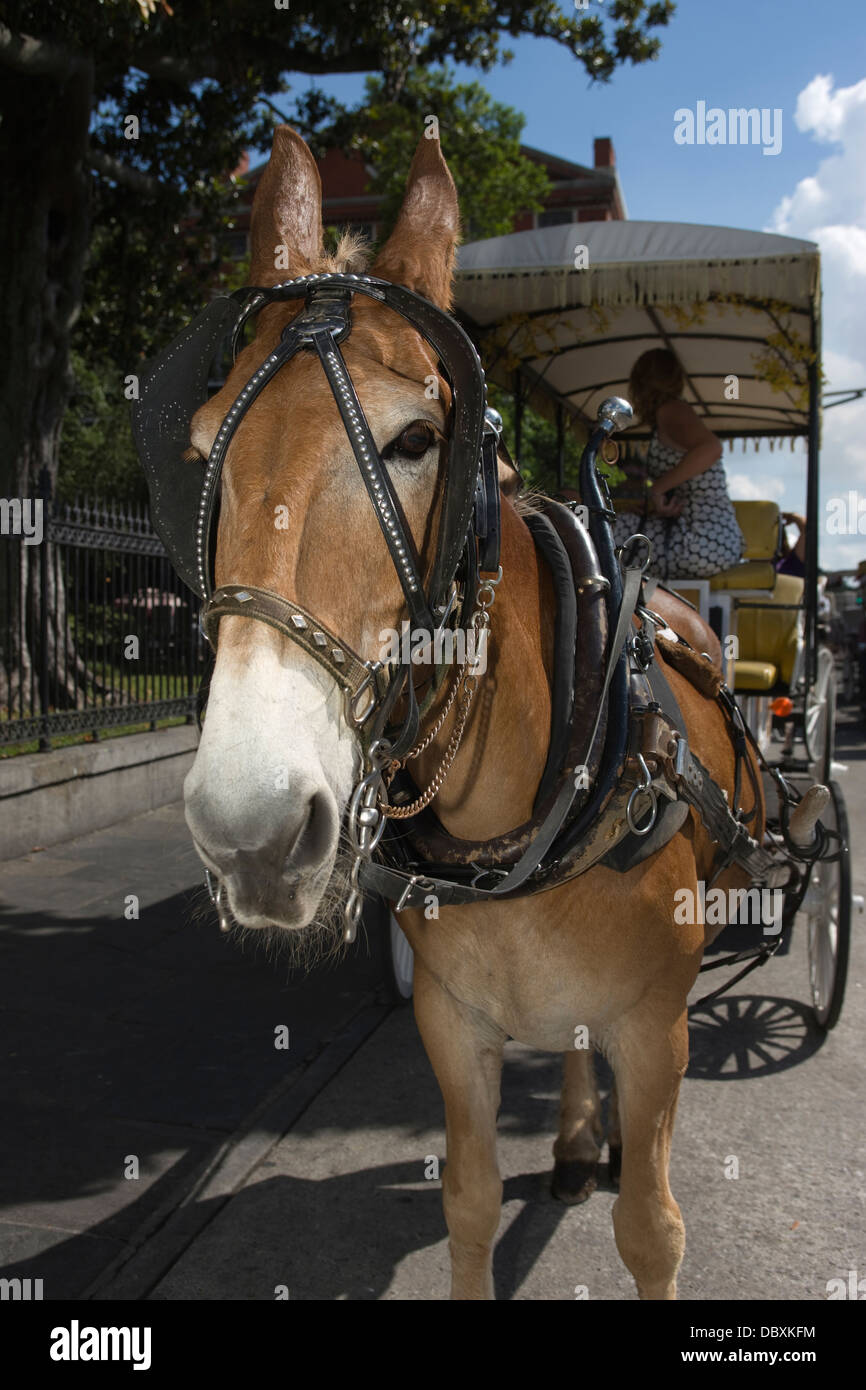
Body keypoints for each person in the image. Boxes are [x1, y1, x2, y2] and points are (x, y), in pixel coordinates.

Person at [612, 349, 743, 580]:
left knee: (604, 532)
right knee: (620, 525)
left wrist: (658, 488)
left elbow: (711, 448)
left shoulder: (672, 410)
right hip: (709, 538)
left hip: (703, 540)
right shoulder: (669, 413)